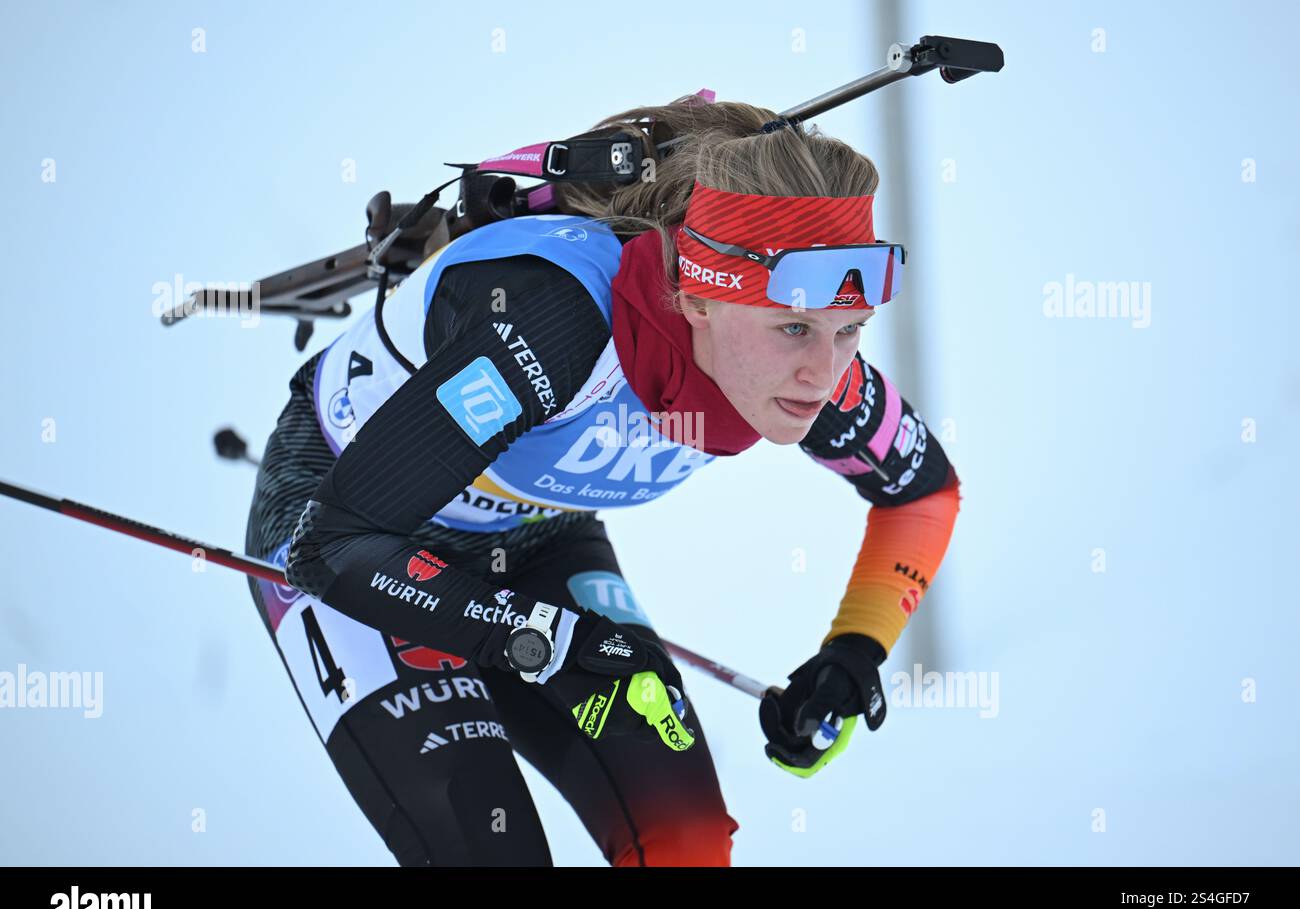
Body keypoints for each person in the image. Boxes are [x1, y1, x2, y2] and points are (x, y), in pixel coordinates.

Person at [243, 94, 961, 867]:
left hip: (534, 534)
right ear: (696, 300)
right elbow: (334, 546)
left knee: (687, 844)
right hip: (354, 526)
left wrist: (855, 653)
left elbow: (921, 493)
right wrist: (541, 638)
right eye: (793, 328)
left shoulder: (803, 368)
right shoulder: (554, 323)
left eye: (848, 330)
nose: (824, 372)